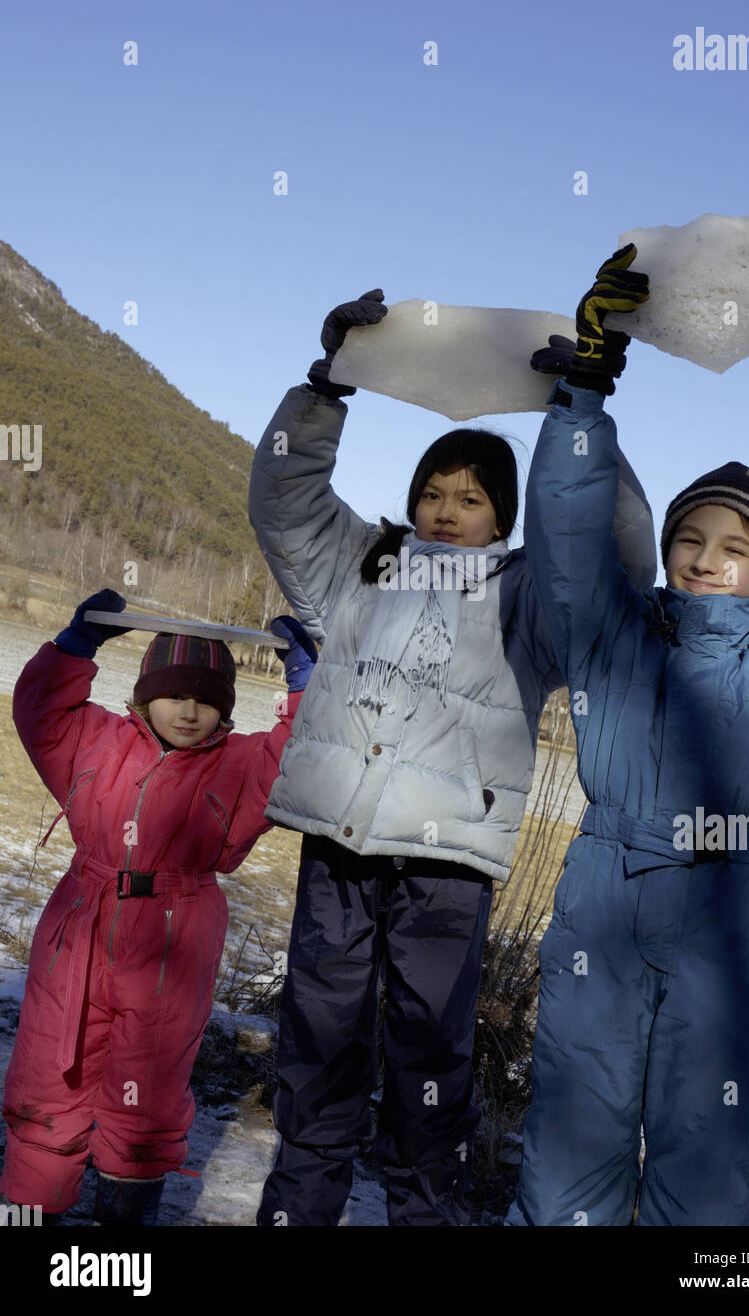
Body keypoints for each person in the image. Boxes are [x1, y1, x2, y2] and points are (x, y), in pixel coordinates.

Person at [247, 288, 658, 1226]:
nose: (443, 511)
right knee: (317, 1040)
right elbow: (284, 500)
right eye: (432, 492)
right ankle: (295, 1209)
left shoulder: (529, 600)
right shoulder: (362, 567)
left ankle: (423, 1211)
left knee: (429, 1062)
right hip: (340, 849)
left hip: (446, 866)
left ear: (503, 516)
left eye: (469, 499)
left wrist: (584, 416)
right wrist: (327, 388)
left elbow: (622, 560)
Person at [506, 247, 749, 1226]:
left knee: (701, 1180)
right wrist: (584, 394)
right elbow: (570, 543)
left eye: (735, 546)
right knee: (567, 1160)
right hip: (602, 903)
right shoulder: (617, 638)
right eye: (689, 538)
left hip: (729, 912)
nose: (704, 558)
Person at [0, 590, 316, 1226]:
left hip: (177, 942)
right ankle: (27, 1212)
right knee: (47, 1081)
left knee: (144, 1090)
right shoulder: (95, 739)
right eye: (176, 694)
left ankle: (123, 1234)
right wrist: (74, 647)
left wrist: (308, 682)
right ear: (145, 695)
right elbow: (40, 711)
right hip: (79, 935)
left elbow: (304, 755)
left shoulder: (240, 764)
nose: (191, 710)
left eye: (208, 699)